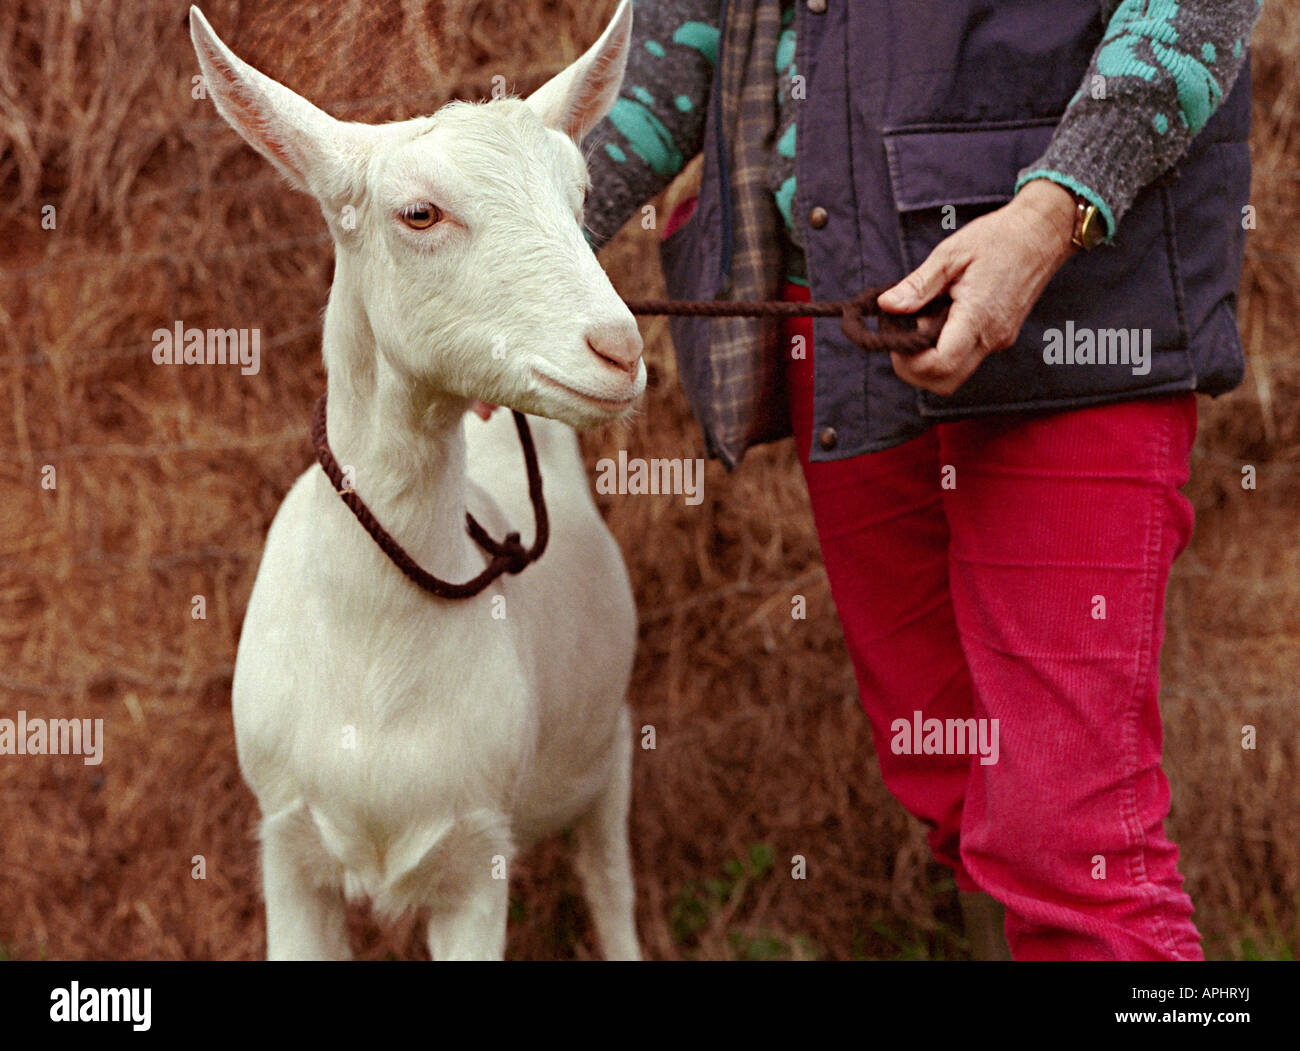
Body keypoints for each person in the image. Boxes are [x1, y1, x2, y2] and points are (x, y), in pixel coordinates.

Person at [580, 0, 1263, 961]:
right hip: (855, 325)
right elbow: (669, 67)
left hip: (1073, 318)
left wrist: (1049, 211)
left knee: (1070, 842)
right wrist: (487, 249)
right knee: (957, 794)